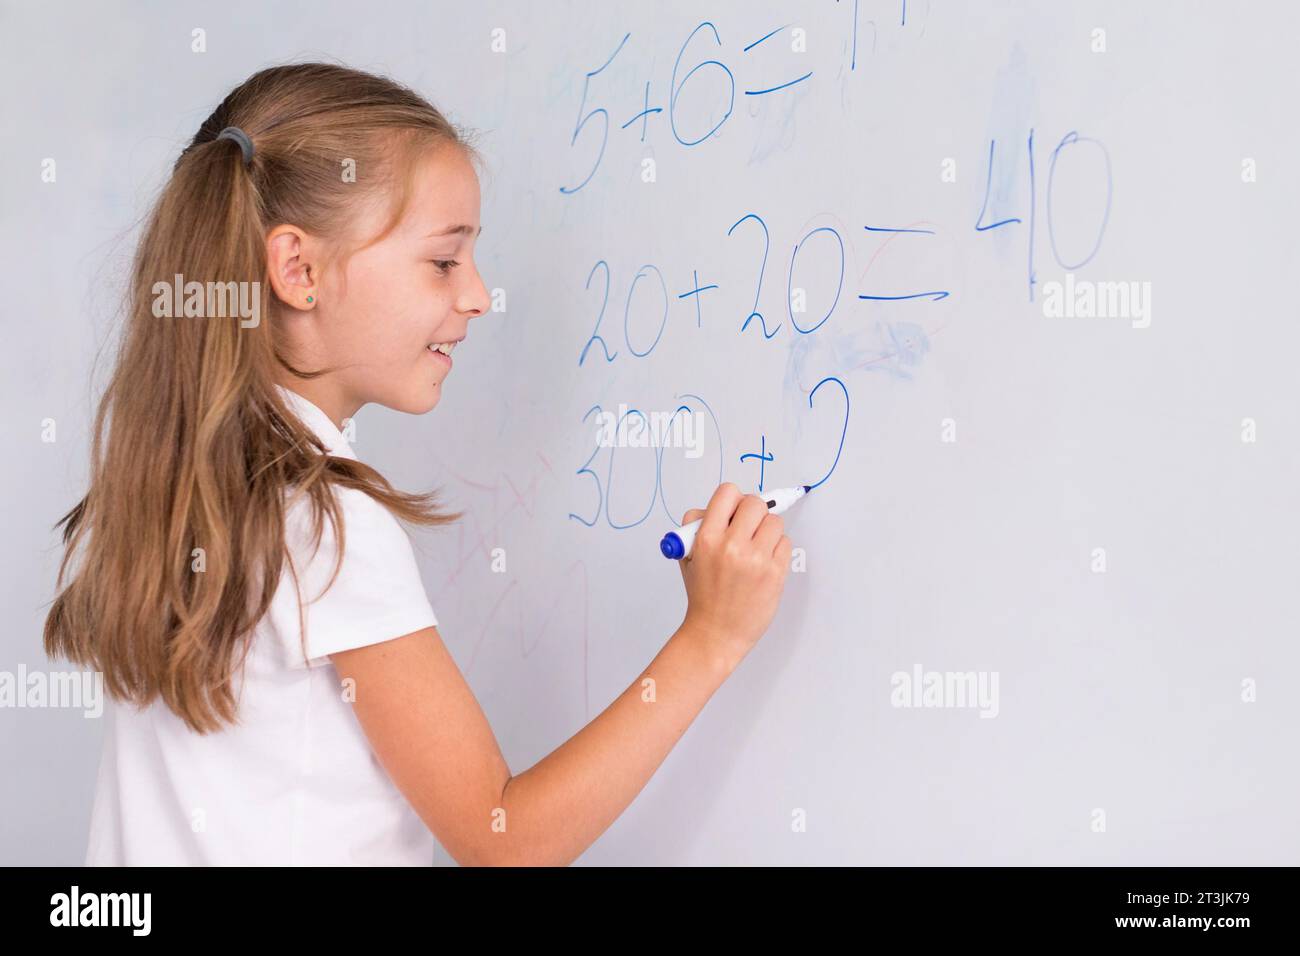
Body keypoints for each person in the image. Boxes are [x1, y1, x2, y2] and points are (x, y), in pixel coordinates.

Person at [44, 62, 792, 866]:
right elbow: (505, 838)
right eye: (444, 261)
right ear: (298, 271)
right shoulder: (328, 525)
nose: (477, 294)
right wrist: (711, 636)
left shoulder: (170, 488)